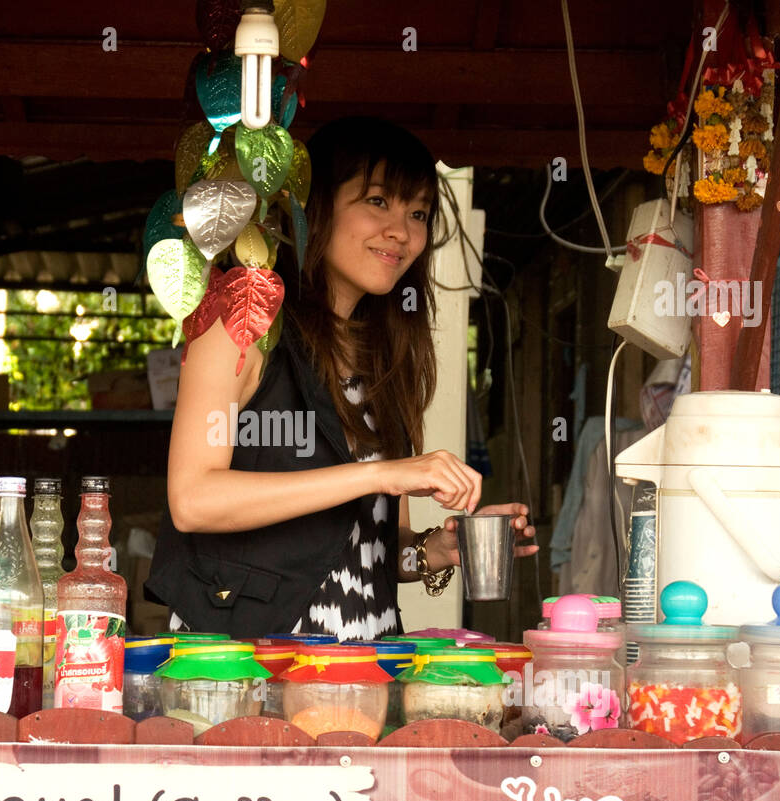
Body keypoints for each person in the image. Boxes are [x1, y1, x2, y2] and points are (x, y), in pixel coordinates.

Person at [146, 116, 537, 640]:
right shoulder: (241, 324)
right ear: (317, 206)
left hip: (364, 668)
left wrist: (438, 551)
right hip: (245, 664)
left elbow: (374, 546)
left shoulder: (385, 357)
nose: (401, 231)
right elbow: (193, 501)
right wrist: (382, 474)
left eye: (417, 212)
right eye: (378, 201)